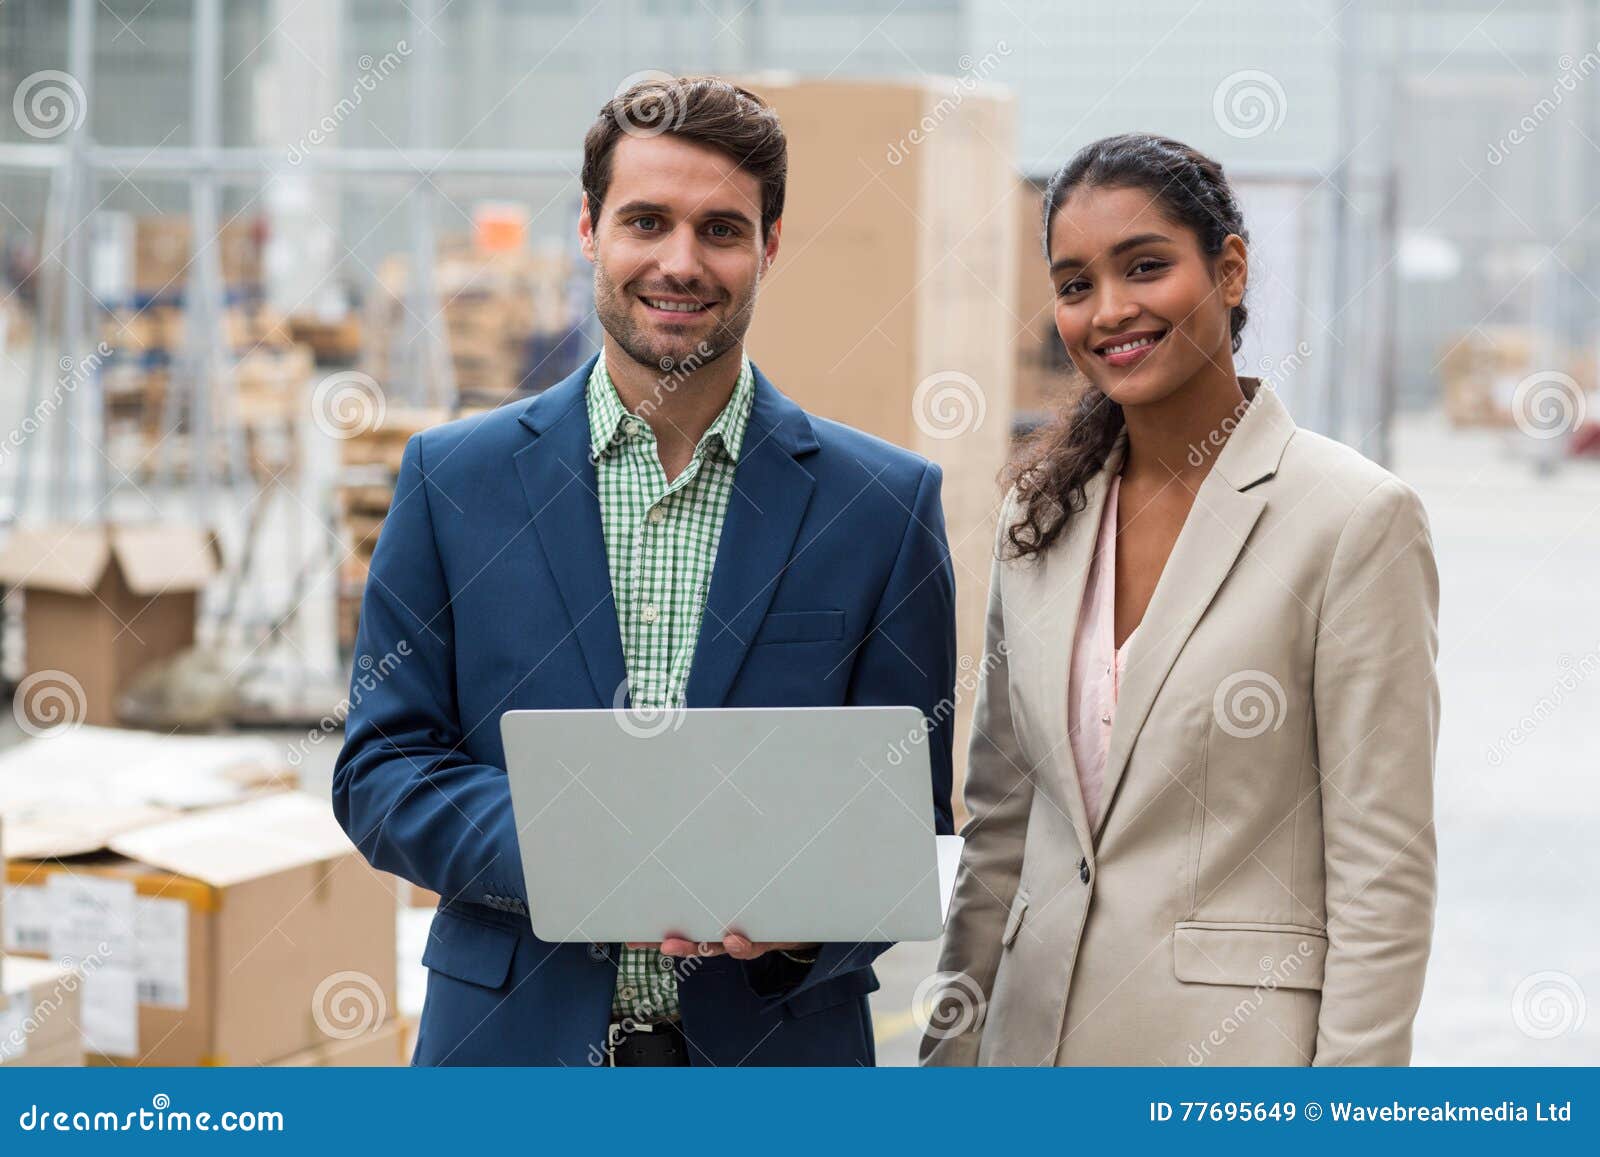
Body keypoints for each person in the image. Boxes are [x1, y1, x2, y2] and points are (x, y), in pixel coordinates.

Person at [334, 76, 956, 1067]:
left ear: (770, 245)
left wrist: (805, 924)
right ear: (588, 228)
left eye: (720, 229)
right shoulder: (455, 482)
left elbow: (902, 811)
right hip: (511, 1049)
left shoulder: (880, 507)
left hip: (770, 1056)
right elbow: (380, 769)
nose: (679, 262)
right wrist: (596, 848)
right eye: (645, 221)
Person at [920, 133, 1439, 1067]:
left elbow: (1383, 872)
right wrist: (945, 1061)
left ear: (1229, 270)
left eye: (1146, 267)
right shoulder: (1040, 515)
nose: (1109, 310)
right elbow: (1000, 827)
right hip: (1026, 1056)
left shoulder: (1353, 519)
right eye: (1075, 285)